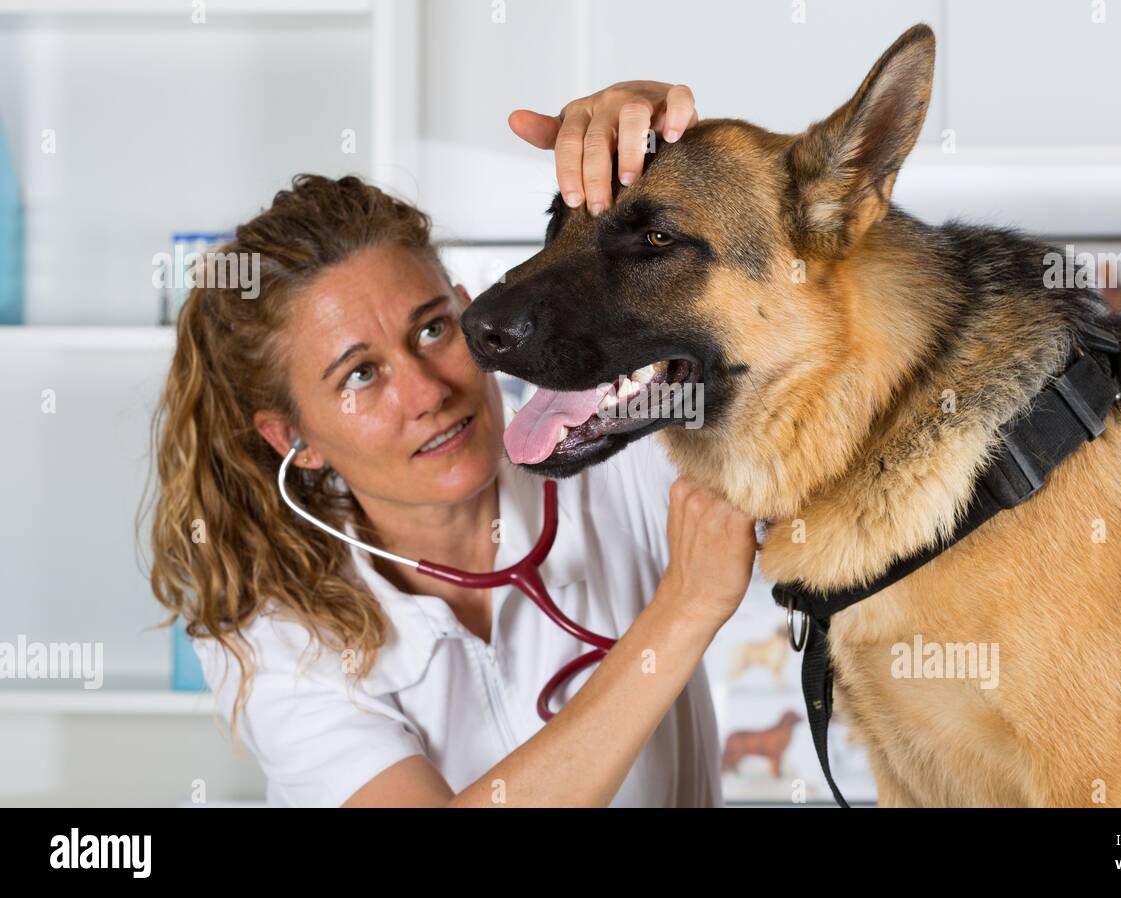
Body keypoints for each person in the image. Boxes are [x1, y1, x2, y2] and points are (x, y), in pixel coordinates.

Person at [147, 81, 759, 807]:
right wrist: (684, 608)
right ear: (296, 438)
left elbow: (807, 294)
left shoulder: (622, 445)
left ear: (473, 313)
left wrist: (665, 152)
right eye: (362, 374)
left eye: (433, 329)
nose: (429, 391)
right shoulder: (275, 637)